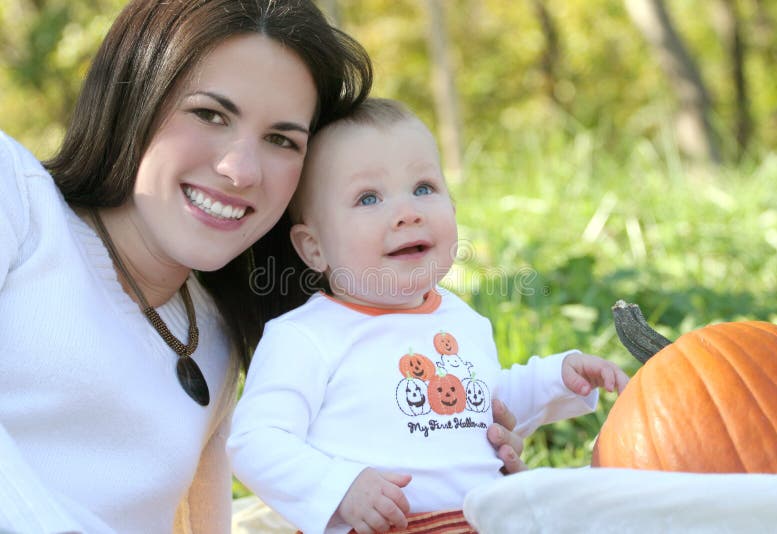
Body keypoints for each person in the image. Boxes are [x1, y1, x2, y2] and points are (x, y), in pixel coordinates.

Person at [0, 3, 525, 532]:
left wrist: (446, 462)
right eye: (209, 114)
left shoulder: (219, 339)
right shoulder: (15, 196)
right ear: (135, 97)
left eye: (281, 140)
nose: (240, 170)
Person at [226, 98, 629, 534]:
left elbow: (481, 405)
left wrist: (556, 377)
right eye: (368, 198)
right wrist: (340, 487)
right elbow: (255, 441)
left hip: (482, 519)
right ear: (314, 248)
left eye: (423, 188)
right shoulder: (305, 337)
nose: (407, 212)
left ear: (453, 208)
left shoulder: (462, 318)